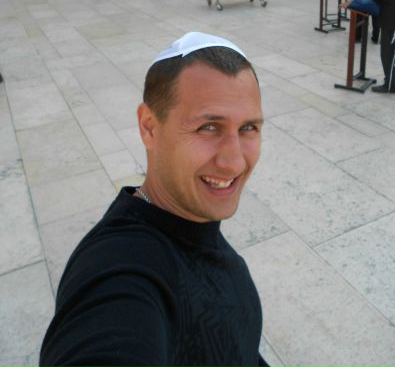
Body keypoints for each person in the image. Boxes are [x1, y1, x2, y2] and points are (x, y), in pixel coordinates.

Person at [40, 31, 269, 367]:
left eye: (248, 128)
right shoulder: (120, 265)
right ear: (149, 127)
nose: (235, 163)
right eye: (208, 127)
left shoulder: (188, 220)